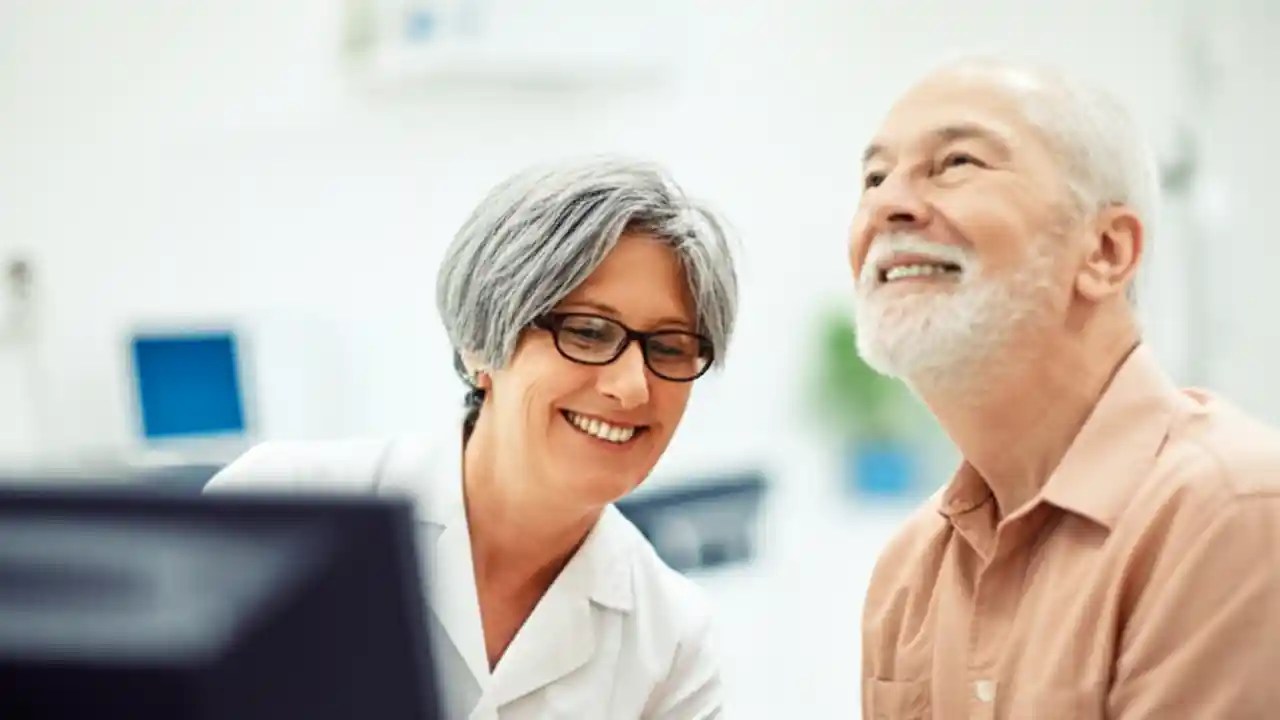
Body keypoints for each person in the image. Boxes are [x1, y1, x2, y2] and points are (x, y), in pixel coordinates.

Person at [206, 157, 737, 719]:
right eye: (587, 331)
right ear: (482, 344)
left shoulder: (673, 642)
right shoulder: (278, 507)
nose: (632, 387)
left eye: (670, 346)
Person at [852, 57, 1280, 719]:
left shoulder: (1230, 510)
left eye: (956, 163)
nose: (886, 204)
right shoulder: (909, 571)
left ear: (1106, 251)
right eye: (874, 177)